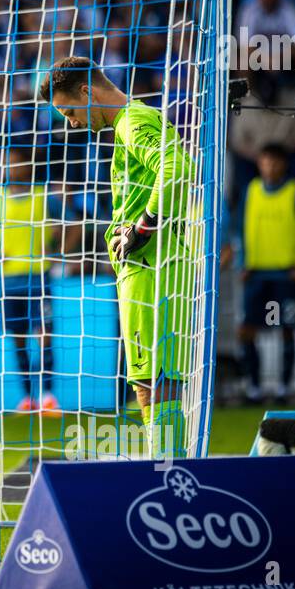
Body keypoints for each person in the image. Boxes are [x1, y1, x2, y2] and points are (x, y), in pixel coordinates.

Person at [40, 56, 195, 455]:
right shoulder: (130, 123)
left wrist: (143, 227)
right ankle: (171, 466)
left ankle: (169, 474)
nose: (70, 123)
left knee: (151, 383)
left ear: (87, 91)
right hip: (155, 266)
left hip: (151, 269)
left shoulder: (133, 121)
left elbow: (177, 169)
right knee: (158, 380)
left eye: (69, 111)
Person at [0, 142, 58, 412]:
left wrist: (58, 250)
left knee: (44, 336)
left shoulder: (44, 196)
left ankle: (47, 395)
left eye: (16, 161)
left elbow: (73, 224)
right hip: (9, 281)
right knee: (18, 340)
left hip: (39, 277)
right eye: (7, 162)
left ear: (28, 165)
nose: (11, 166)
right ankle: (27, 397)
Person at [235, 143, 295, 404]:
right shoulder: (251, 191)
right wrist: (242, 262)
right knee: (246, 330)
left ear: (284, 165)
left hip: (285, 276)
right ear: (259, 163)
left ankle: (283, 389)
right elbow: (240, 229)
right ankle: (253, 388)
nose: (270, 166)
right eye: (265, 161)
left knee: (287, 330)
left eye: (275, 161)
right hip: (256, 275)